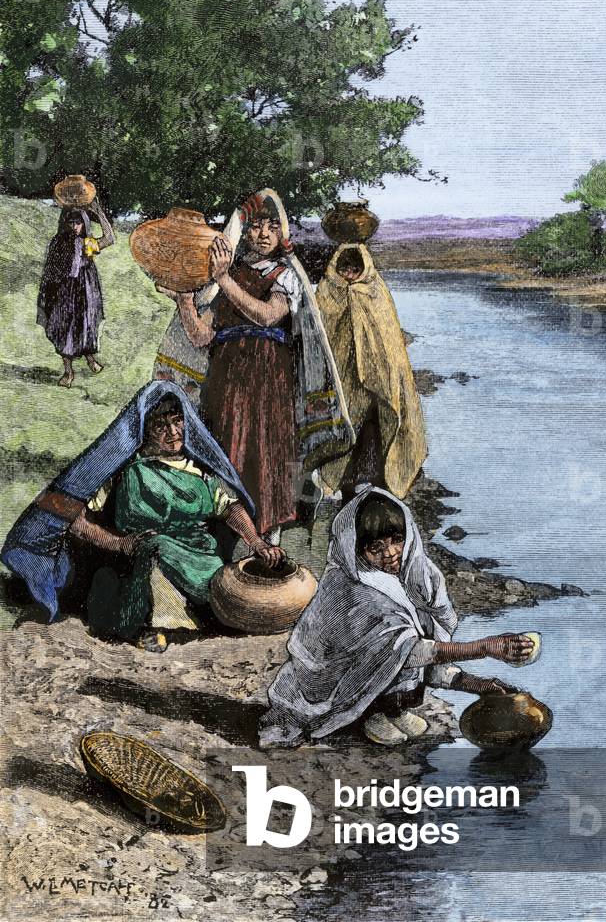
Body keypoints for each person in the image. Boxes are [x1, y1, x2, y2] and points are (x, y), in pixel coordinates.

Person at [1, 382, 283, 649]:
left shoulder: (200, 469)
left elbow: (230, 507)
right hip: (139, 560)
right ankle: (156, 627)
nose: (173, 431)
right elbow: (75, 520)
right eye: (161, 425)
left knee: (227, 594)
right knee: (155, 550)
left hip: (200, 558)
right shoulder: (125, 471)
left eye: (177, 420)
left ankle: (199, 618)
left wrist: (256, 542)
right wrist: (119, 544)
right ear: (144, 430)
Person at [259, 487, 536, 748]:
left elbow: (426, 646)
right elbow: (408, 652)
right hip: (330, 683)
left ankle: (395, 708)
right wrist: (485, 648)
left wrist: (476, 685)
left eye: (396, 540)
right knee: (392, 651)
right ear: (357, 548)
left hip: (383, 668)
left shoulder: (419, 575)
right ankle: (371, 714)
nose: (390, 554)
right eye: (376, 548)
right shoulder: (353, 589)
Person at [165, 189, 353, 541]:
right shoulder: (225, 272)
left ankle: (268, 533)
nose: (264, 234)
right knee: (225, 442)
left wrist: (222, 280)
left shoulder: (285, 275)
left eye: (272, 226)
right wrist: (185, 300)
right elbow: (201, 337)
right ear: (243, 233)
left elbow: (267, 316)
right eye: (255, 227)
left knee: (266, 449)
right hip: (226, 375)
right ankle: (224, 526)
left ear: (282, 234)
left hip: (268, 376)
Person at [315, 243, 427, 502]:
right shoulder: (326, 292)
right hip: (342, 386)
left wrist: (382, 376)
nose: (351, 275)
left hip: (375, 392)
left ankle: (375, 493)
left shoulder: (376, 292)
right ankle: (346, 493)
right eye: (345, 269)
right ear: (336, 268)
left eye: (356, 268)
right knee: (344, 443)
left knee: (372, 444)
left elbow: (391, 347)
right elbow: (319, 336)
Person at [37, 197, 115, 387]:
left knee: (86, 323)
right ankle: (68, 372)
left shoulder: (87, 243)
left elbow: (109, 239)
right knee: (65, 327)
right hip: (64, 292)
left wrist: (98, 212)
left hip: (84, 290)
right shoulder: (58, 242)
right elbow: (51, 270)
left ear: (84, 224)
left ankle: (90, 360)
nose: (74, 226)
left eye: (78, 222)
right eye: (71, 222)